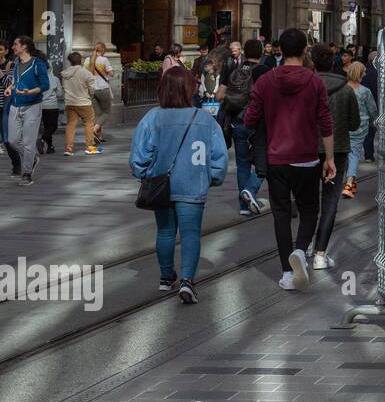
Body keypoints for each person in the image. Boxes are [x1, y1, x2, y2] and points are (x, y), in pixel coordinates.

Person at [243, 28, 335, 292]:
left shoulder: (264, 81)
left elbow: (250, 119)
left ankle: (286, 272)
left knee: (281, 214)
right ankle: (299, 249)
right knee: (309, 210)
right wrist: (329, 158)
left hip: (276, 159)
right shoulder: (315, 82)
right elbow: (325, 123)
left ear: (279, 51)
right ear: (306, 51)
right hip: (306, 157)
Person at [130, 67, 226, 304]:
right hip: (193, 183)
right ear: (189, 89)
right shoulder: (204, 119)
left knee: (165, 231)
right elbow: (219, 156)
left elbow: (139, 156)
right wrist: (212, 177)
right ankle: (186, 280)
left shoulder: (152, 117)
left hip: (161, 184)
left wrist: (144, 173)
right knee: (191, 233)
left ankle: (165, 276)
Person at [309, 43, 358, 269]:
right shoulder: (346, 89)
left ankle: (306, 243)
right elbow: (354, 123)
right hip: (337, 150)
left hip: (308, 150)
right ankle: (320, 253)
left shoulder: (307, 87)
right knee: (330, 202)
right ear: (334, 62)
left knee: (308, 201)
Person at [227, 39, 271, 216]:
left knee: (242, 164)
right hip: (258, 124)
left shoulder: (235, 71)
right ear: (261, 53)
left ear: (245, 52)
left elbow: (223, 94)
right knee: (264, 161)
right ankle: (250, 190)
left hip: (237, 122)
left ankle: (244, 206)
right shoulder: (265, 72)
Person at [5, 36, 50, 186]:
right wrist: (10, 88)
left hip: (32, 105)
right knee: (12, 140)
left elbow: (45, 85)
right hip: (15, 104)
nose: (13, 47)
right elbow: (16, 81)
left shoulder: (38, 63)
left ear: (24, 47)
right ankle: (33, 159)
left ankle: (26, 173)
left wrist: (29, 92)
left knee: (28, 142)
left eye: (15, 44)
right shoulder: (17, 62)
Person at [342, 60, 376, 200]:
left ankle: (351, 181)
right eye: (364, 71)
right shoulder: (364, 91)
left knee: (347, 154)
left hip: (343, 127)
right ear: (360, 73)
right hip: (360, 127)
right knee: (354, 154)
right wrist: (375, 121)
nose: (366, 73)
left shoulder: (342, 89)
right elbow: (372, 109)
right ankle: (349, 184)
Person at [60, 51, 100, 155]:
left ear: (70, 61)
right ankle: (90, 147)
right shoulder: (86, 73)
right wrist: (90, 96)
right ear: (81, 60)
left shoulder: (65, 73)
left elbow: (64, 87)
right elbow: (92, 88)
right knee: (88, 124)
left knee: (70, 125)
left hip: (70, 102)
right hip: (84, 102)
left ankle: (68, 149)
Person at [88, 42, 113, 145]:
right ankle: (93, 131)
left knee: (98, 114)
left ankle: (99, 137)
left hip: (91, 90)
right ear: (102, 50)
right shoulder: (104, 60)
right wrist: (107, 73)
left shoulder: (87, 60)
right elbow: (111, 73)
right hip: (102, 89)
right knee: (106, 112)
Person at [0, 42, 16, 175]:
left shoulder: (10, 65)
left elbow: (10, 85)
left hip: (4, 106)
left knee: (7, 139)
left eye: (0, 50)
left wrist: (1, 74)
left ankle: (17, 163)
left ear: (5, 51)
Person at [38, 72, 62, 155]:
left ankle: (50, 147)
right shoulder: (55, 79)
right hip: (52, 106)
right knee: (53, 127)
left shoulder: (38, 78)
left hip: (41, 106)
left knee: (47, 127)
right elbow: (60, 94)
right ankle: (42, 139)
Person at [361, 49, 379, 163]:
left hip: (368, 106)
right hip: (380, 105)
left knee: (369, 132)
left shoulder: (365, 73)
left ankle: (368, 155)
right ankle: (384, 155)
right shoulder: (382, 73)